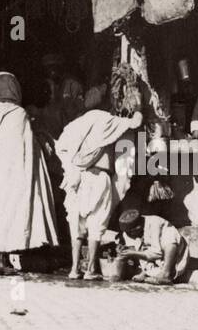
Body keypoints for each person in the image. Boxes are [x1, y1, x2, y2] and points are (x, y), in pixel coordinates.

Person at [54, 91, 143, 280]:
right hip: (98, 177)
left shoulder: (77, 123)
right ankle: (91, 270)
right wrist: (138, 108)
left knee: (76, 224)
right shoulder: (107, 120)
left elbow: (61, 146)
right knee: (96, 224)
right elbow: (135, 122)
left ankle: (74, 269)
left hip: (77, 176)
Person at [0, 72, 59, 274]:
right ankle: (6, 252)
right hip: (14, 173)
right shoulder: (18, 114)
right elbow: (25, 147)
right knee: (15, 211)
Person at [115, 208, 190, 284]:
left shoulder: (154, 223)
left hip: (175, 259)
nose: (128, 235)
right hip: (156, 260)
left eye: (130, 233)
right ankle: (146, 273)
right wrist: (125, 249)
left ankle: (165, 275)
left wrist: (133, 253)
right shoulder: (130, 230)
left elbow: (157, 254)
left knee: (169, 237)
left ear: (138, 228)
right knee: (136, 246)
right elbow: (134, 246)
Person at [35, 53, 85, 142]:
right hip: (50, 134)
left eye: (55, 66)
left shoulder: (72, 84)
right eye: (48, 67)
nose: (52, 70)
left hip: (70, 131)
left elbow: (80, 111)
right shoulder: (44, 85)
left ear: (61, 67)